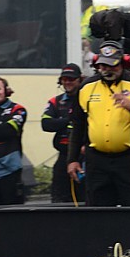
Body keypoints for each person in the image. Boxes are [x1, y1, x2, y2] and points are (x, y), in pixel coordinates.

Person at [67, 40, 130, 206]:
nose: (107, 70)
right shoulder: (86, 87)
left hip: (128, 161)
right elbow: (77, 127)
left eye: (112, 66)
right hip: (97, 162)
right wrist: (72, 160)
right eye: (103, 66)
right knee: (98, 213)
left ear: (123, 63)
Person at [42, 63, 85, 203]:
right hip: (63, 156)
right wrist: (69, 121)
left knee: (86, 199)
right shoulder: (56, 101)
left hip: (84, 157)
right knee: (59, 200)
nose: (67, 82)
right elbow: (46, 124)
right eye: (64, 79)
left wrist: (61, 121)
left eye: (71, 79)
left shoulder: (87, 99)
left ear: (80, 79)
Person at [0, 76, 26, 205]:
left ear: (6, 90)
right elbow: (1, 131)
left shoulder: (18, 109)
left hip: (10, 169)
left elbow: (9, 131)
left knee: (12, 214)